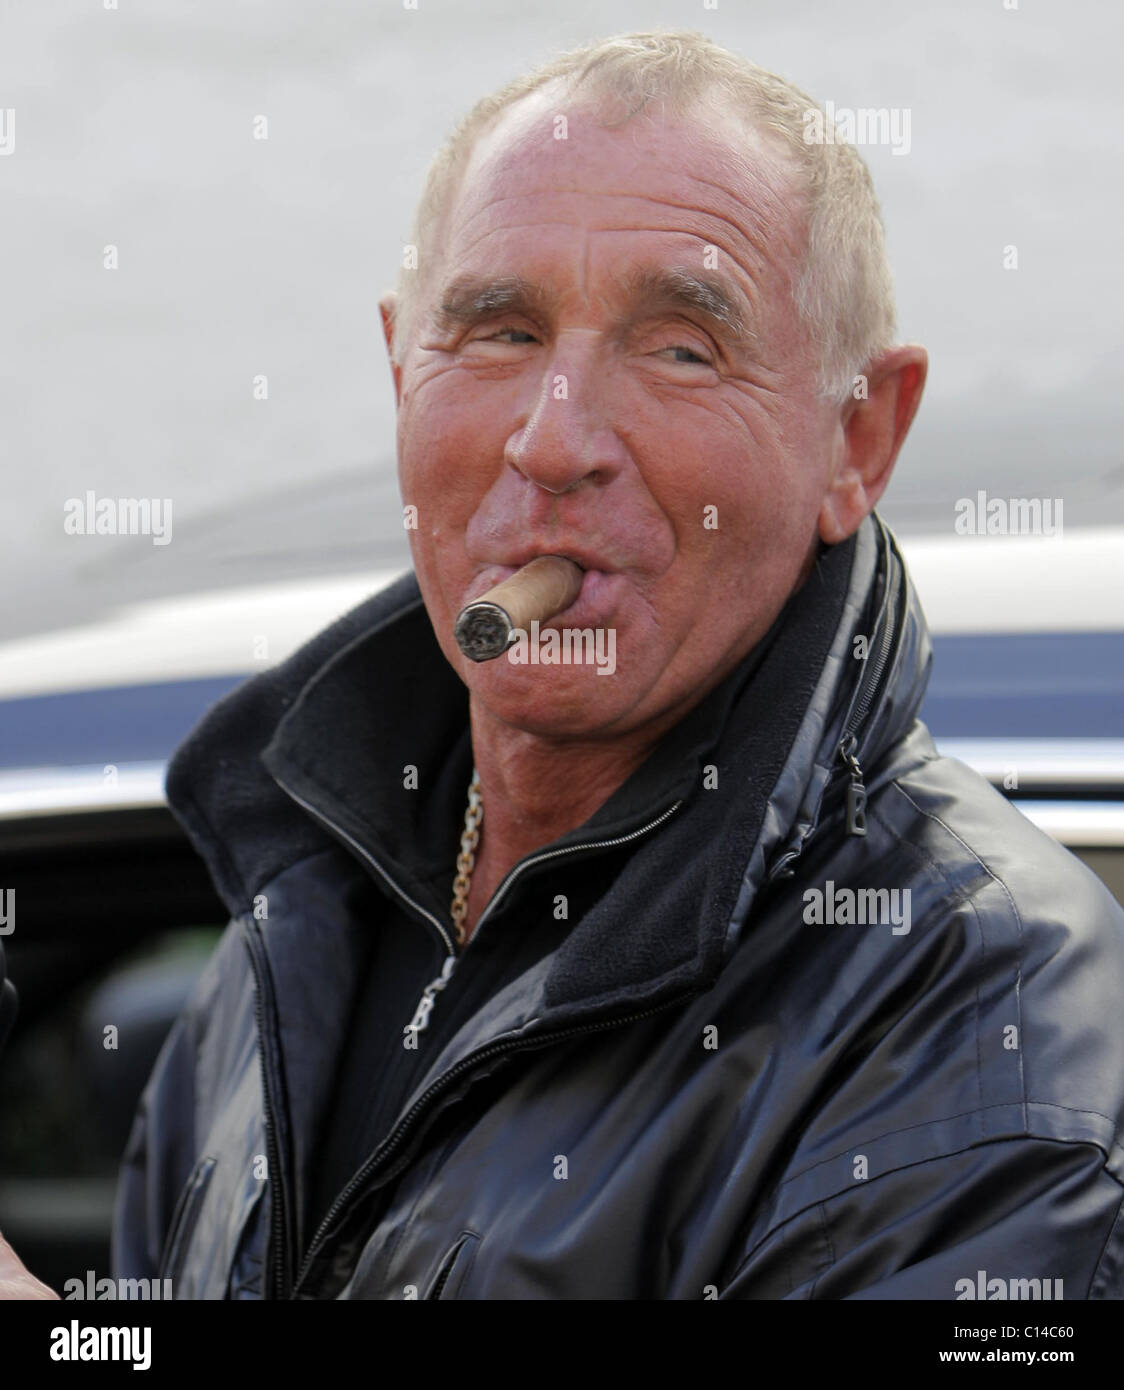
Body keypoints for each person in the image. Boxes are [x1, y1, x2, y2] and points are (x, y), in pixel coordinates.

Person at [6, 28, 1124, 1300]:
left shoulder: (983, 1014)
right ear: (397, 372)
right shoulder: (298, 922)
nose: (552, 441)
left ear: (855, 438)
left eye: (679, 347)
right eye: (495, 332)